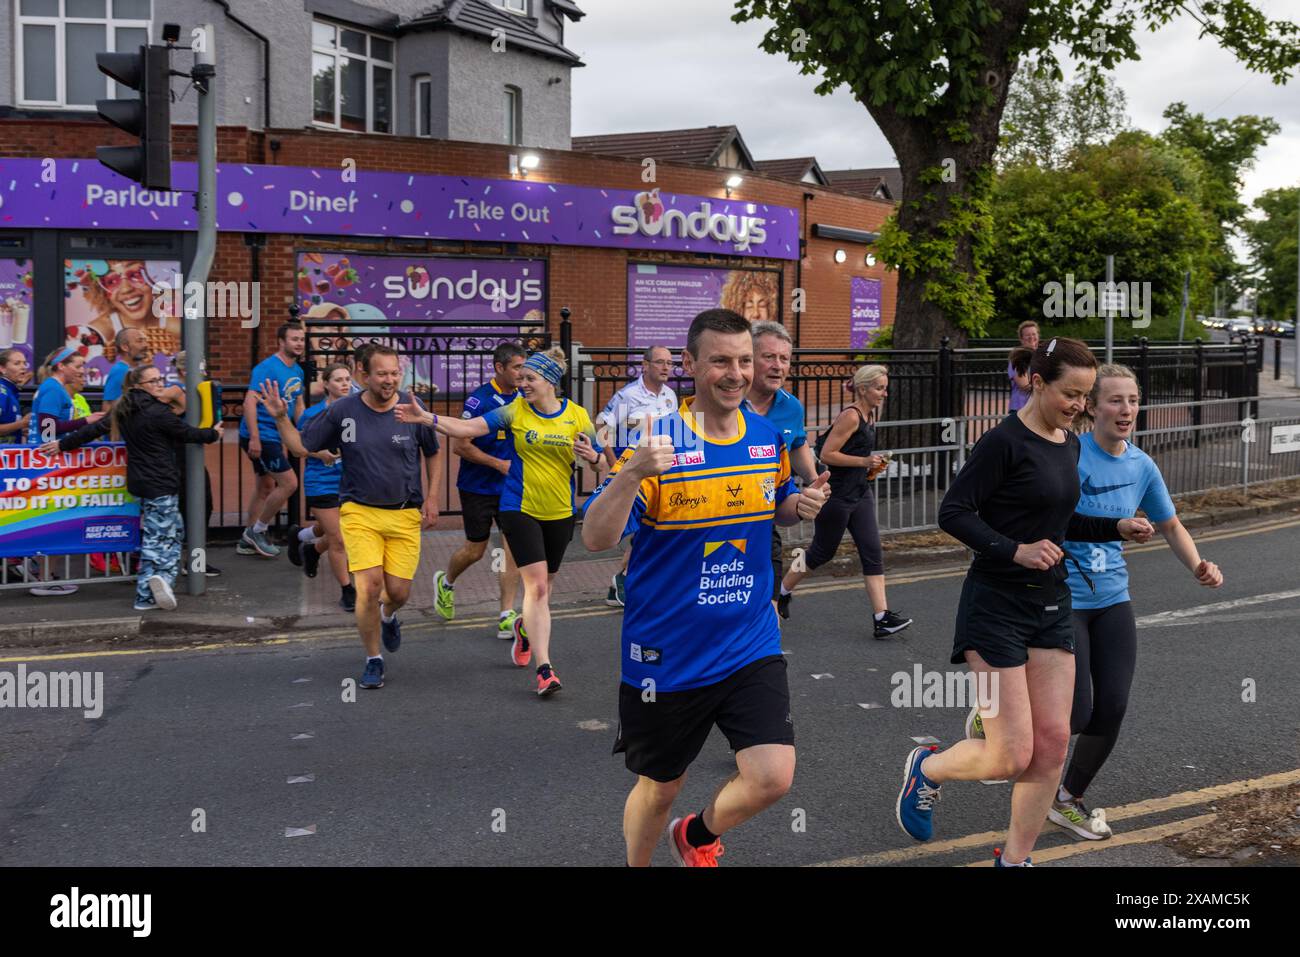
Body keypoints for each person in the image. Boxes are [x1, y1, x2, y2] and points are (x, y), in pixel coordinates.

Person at [582, 308, 830, 866]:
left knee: (773, 777)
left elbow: (777, 507)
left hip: (749, 640)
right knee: (661, 786)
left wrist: (799, 504)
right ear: (690, 365)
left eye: (744, 360)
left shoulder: (767, 439)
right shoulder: (659, 446)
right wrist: (628, 474)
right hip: (666, 655)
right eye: (720, 361)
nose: (736, 373)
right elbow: (597, 539)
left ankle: (695, 834)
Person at [895, 337, 1155, 867]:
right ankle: (927, 768)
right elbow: (954, 512)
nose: (1079, 406)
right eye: (1070, 393)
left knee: (1053, 744)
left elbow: (1062, 522)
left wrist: (1116, 527)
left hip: (1052, 605)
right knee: (1010, 754)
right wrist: (1013, 550)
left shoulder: (1070, 443)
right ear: (1037, 382)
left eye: (1085, 396)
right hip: (994, 608)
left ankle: (1013, 862)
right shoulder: (1002, 442)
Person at [1045, 364, 1222, 839]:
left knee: (1113, 707)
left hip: (1112, 599)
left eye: (1133, 401)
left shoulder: (1141, 465)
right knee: (1077, 712)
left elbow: (1170, 523)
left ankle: (1068, 799)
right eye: (1115, 400)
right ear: (1092, 406)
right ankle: (996, 716)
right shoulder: (1069, 455)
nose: (1126, 410)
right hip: (1063, 597)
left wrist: (1199, 565)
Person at [397, 347, 603, 697]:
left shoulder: (578, 416)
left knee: (545, 588)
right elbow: (466, 427)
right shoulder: (513, 411)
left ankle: (525, 628)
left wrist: (593, 456)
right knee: (536, 587)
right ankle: (544, 669)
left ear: (550, 382)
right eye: (520, 377)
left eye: (530, 379)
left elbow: (601, 465)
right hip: (519, 507)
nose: (523, 384)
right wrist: (426, 419)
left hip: (560, 512)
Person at [258, 345, 441, 690]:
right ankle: (373, 659)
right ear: (363, 374)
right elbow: (301, 446)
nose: (389, 381)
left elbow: (433, 453)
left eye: (394, 373)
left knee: (398, 592)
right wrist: (281, 417)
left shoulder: (411, 408)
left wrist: (432, 498)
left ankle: (389, 616)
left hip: (404, 514)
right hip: (359, 512)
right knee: (368, 587)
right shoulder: (344, 411)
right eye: (382, 374)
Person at [39, 365, 223, 611]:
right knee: (160, 539)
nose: (159, 384)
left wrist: (63, 444)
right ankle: (150, 591)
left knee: (172, 530)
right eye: (153, 381)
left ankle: (157, 582)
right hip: (161, 482)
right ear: (138, 386)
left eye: (160, 379)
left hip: (141, 481)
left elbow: (93, 430)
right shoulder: (158, 412)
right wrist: (212, 434)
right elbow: (187, 433)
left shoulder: (124, 408)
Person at [777, 364, 911, 638]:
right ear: (863, 388)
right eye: (878, 388)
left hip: (860, 493)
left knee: (872, 552)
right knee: (821, 552)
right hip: (837, 496)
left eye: (885, 388)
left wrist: (870, 468)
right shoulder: (851, 416)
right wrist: (864, 460)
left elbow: (854, 456)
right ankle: (782, 591)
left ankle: (881, 617)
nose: (884, 393)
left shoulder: (870, 415)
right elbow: (827, 454)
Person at [432, 343, 526, 637]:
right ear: (500, 368)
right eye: (517, 368)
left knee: (511, 549)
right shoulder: (479, 401)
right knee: (475, 550)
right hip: (478, 487)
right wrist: (498, 464)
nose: (522, 373)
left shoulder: (525, 397)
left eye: (524, 367)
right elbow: (460, 446)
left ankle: (505, 614)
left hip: (511, 488)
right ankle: (446, 582)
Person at [595, 345, 679, 607]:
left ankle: (626, 581)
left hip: (661, 472)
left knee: (653, 526)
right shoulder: (628, 396)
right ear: (645, 365)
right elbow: (601, 425)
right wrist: (613, 464)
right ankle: (623, 578)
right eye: (660, 362)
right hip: (634, 472)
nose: (666, 367)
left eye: (669, 363)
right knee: (641, 527)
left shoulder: (670, 396)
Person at [743, 321, 818, 608]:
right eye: (769, 357)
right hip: (716, 522)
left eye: (784, 359)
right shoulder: (724, 404)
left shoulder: (791, 407)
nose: (778, 366)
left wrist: (813, 480)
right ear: (749, 358)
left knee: (767, 608)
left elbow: (797, 444)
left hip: (765, 522)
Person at [278, 363, 355, 610]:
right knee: (339, 539)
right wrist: (320, 453)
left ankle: (308, 546)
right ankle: (347, 590)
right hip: (321, 482)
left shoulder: (358, 411)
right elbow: (299, 447)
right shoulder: (312, 415)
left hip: (352, 483)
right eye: (338, 380)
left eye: (347, 379)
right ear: (326, 385)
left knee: (334, 531)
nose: (344, 384)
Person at [238, 322, 307, 558]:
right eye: (294, 339)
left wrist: (304, 431)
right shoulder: (266, 368)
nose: (299, 343)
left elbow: (298, 405)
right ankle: (258, 531)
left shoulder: (297, 371)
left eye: (301, 339)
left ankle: (246, 540)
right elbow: (249, 402)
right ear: (281, 341)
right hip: (262, 435)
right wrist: (255, 438)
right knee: (289, 483)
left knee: (265, 487)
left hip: (278, 434)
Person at [0, 349, 31, 443]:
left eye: (25, 363)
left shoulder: (11, 391)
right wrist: (21, 424)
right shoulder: (2, 392)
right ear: (2, 368)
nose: (23, 367)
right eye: (17, 363)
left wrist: (20, 430)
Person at [1008, 321, 1040, 412]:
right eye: (1027, 335)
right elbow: (1024, 385)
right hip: (1021, 408)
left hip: (1037, 408)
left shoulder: (1042, 356)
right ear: (1021, 339)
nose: (1031, 337)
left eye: (1034, 334)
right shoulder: (1017, 358)